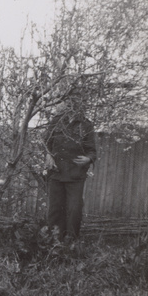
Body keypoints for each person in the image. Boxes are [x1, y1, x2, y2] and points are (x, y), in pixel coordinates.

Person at [43, 97, 97, 241]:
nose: (73, 106)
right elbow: (46, 142)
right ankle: (53, 241)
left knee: (74, 209)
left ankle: (71, 242)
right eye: (70, 103)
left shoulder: (86, 125)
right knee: (54, 209)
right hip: (56, 172)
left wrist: (88, 159)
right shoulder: (57, 121)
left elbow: (92, 151)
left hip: (76, 174)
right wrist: (48, 155)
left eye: (78, 103)